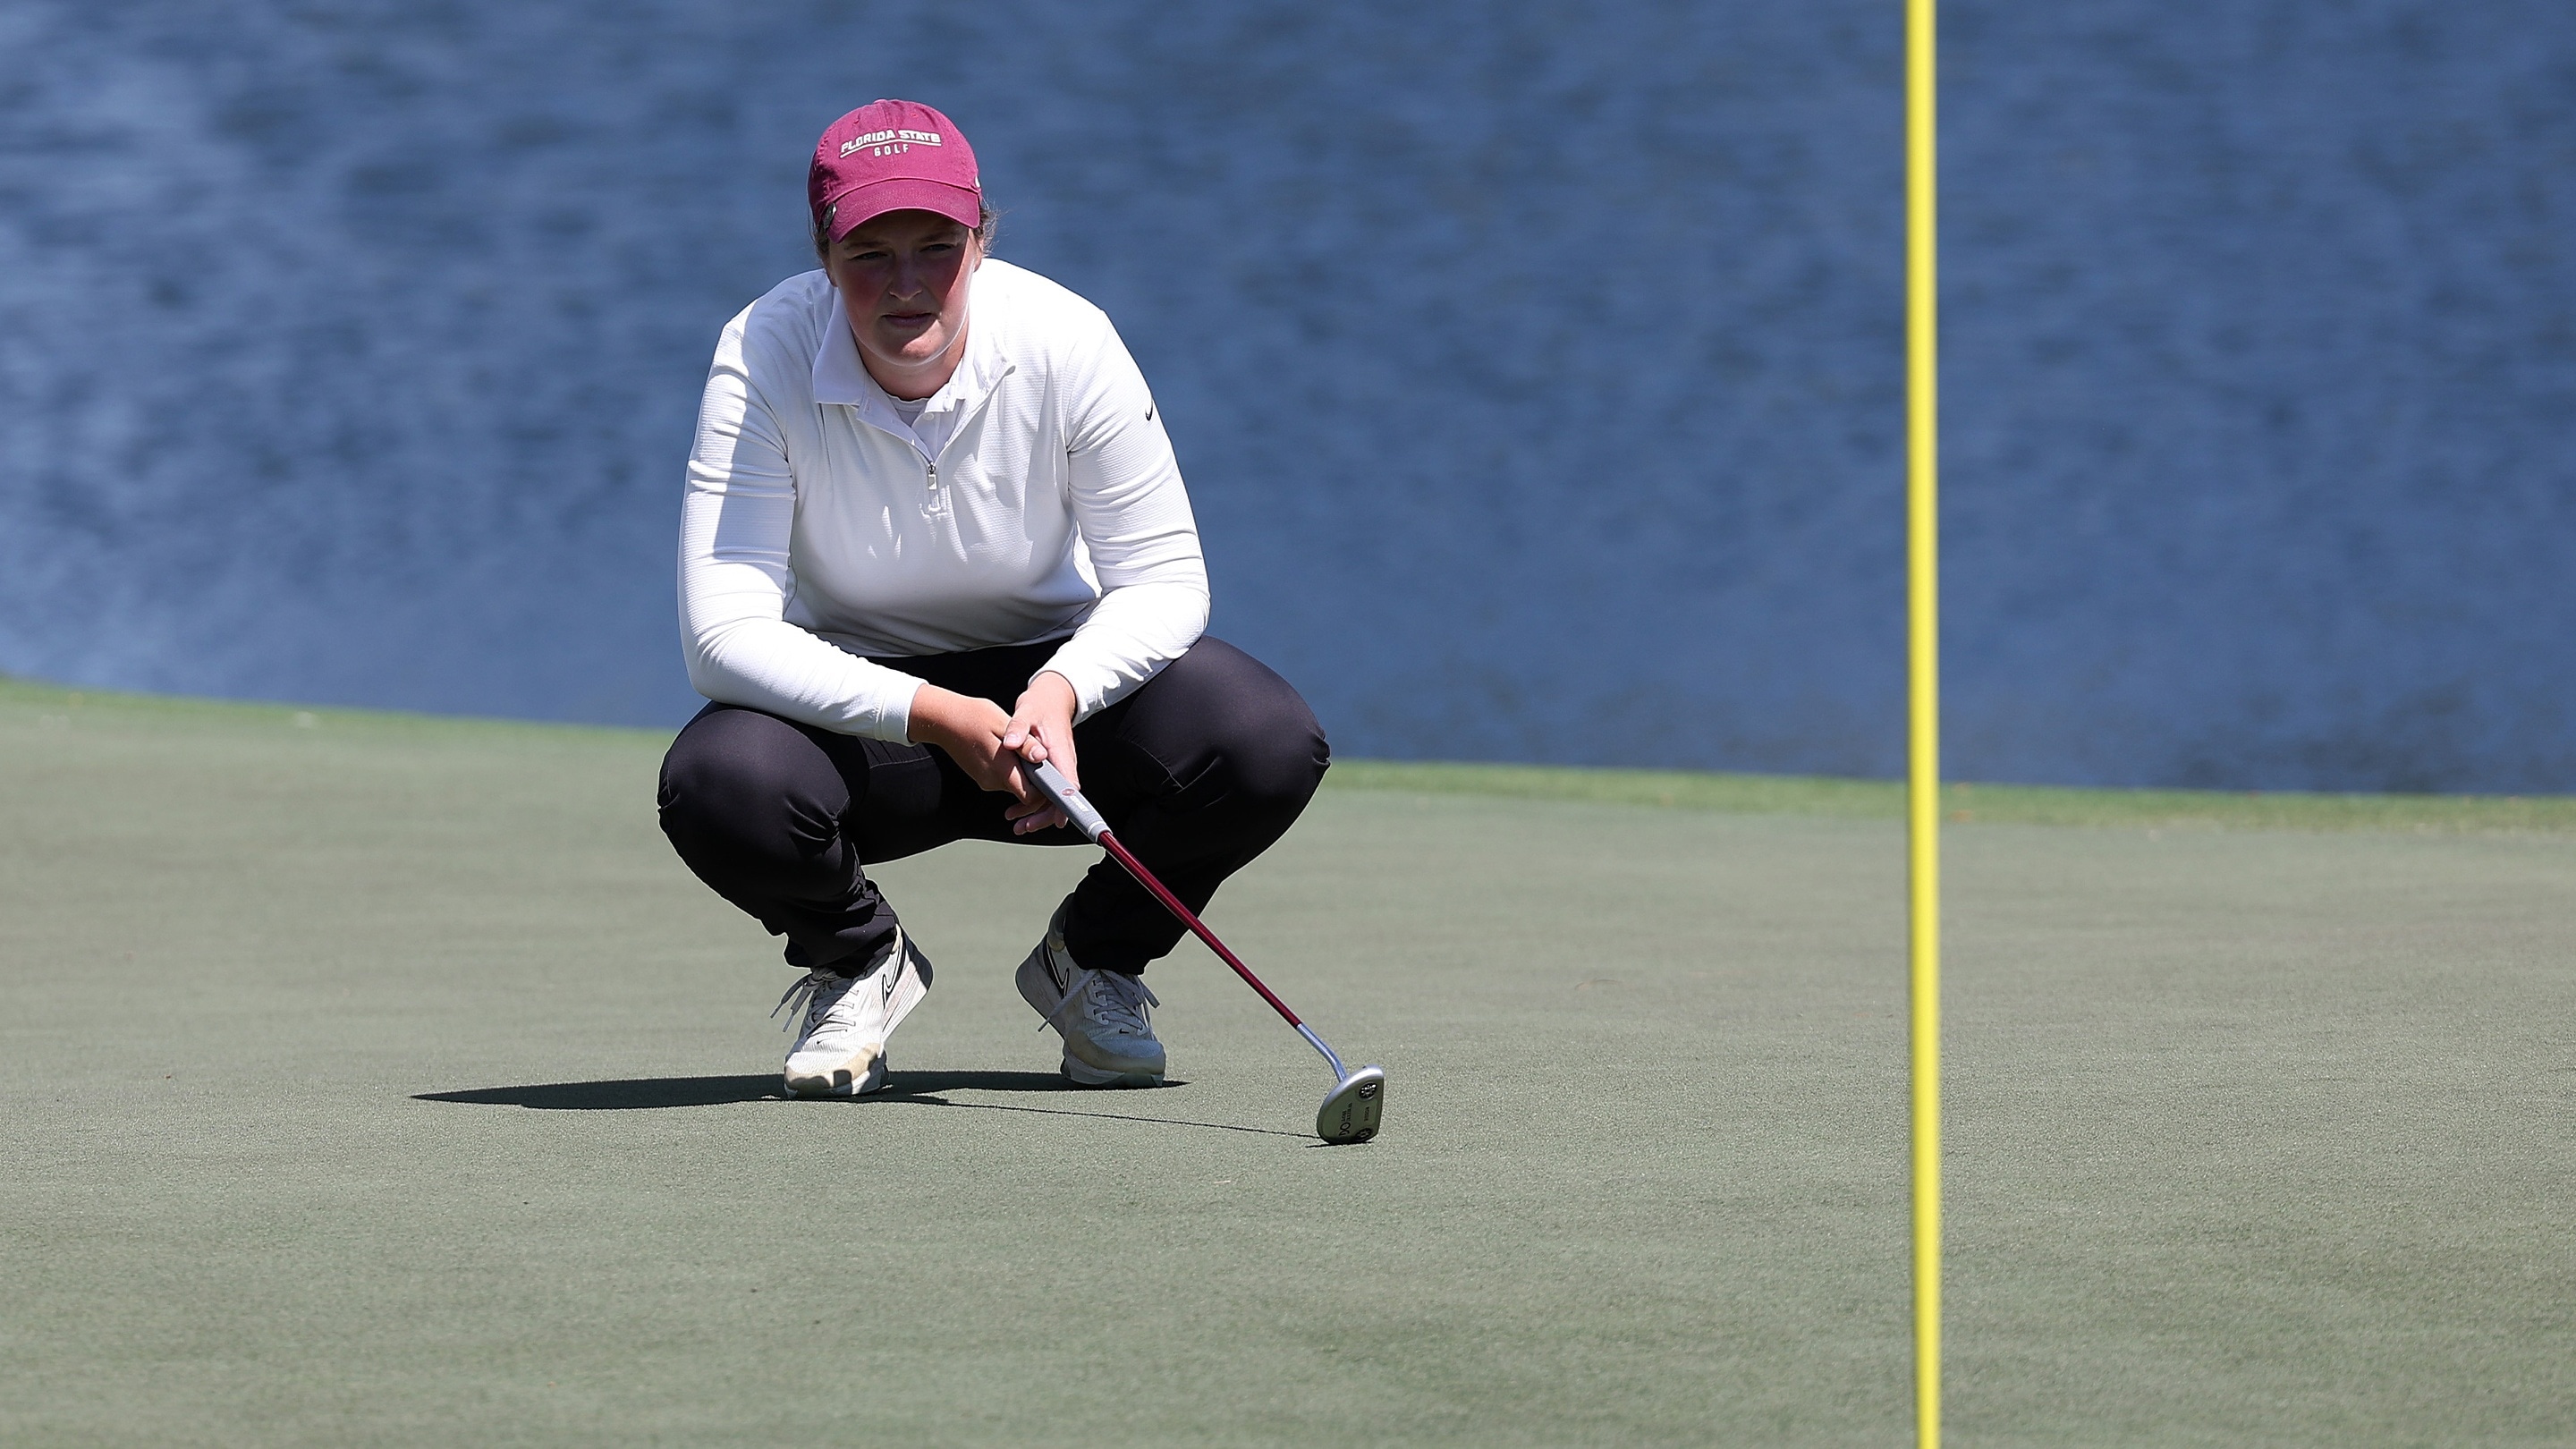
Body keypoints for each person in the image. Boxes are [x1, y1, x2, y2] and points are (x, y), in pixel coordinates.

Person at [657, 99, 1328, 1097]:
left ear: (981, 242)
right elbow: (722, 637)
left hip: (1061, 705)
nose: (908, 285)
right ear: (823, 253)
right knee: (718, 783)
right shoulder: (760, 352)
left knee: (1263, 739)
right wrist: (937, 717)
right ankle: (860, 963)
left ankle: (1094, 958)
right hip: (874, 722)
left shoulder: (1066, 338)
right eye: (870, 254)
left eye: (936, 247)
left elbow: (1165, 580)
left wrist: (1058, 695)